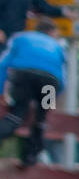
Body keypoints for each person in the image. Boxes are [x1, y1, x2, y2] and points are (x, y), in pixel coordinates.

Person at [0, 17, 65, 167]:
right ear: (52, 32)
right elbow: (63, 78)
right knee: (42, 119)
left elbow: (3, 64)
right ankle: (30, 156)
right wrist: (52, 101)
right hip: (51, 80)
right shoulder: (58, 46)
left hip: (24, 75)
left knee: (17, 113)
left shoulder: (20, 38)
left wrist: (1, 91)